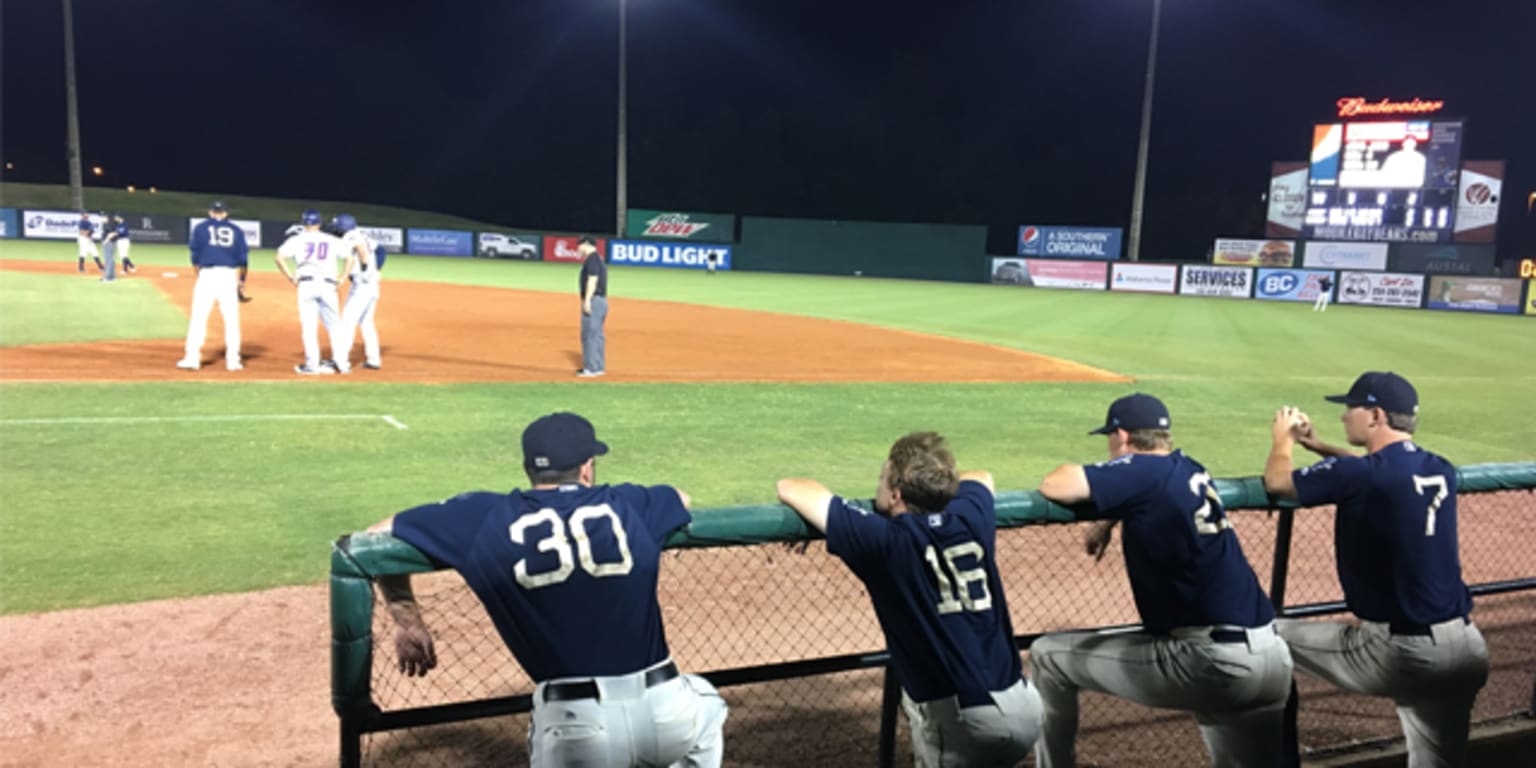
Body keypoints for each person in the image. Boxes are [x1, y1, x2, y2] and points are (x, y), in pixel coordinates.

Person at [368, 411, 728, 767]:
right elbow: (681, 497)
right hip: (667, 714)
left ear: (528, 469)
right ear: (586, 468)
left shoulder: (484, 516)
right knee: (708, 705)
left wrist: (407, 619)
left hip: (575, 732)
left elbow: (374, 539)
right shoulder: (628, 504)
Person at [1030, 393, 1293, 768]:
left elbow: (1055, 484)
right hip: (1271, 656)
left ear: (1122, 436)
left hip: (1211, 663)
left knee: (1048, 655)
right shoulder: (1188, 467)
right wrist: (1109, 519)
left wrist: (1109, 497)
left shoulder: (1141, 468)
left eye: (1110, 439)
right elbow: (1152, 496)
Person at [1263, 372, 1488, 767]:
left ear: (1375, 415)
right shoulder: (1439, 467)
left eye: (1351, 408)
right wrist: (1318, 446)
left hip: (1400, 653)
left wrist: (1283, 440)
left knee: (1265, 639)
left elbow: (1278, 482)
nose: (1344, 416)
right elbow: (1372, 470)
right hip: (1466, 648)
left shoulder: (1364, 475)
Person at [776, 432, 1041, 766]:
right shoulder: (971, 517)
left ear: (896, 494)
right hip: (1024, 705)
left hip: (969, 723)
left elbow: (791, 487)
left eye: (882, 479)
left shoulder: (884, 540)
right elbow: (981, 477)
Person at [273, 208, 349, 375]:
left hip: (307, 285)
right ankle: (342, 364)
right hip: (328, 285)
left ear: (303, 223)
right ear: (319, 223)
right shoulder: (331, 239)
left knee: (309, 328)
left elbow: (278, 257)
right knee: (334, 326)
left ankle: (312, 365)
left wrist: (291, 277)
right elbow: (349, 257)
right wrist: (343, 276)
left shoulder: (297, 240)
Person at [178, 201, 248, 371]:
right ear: (226, 213)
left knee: (198, 317)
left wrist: (201, 275)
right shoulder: (236, 230)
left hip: (207, 274)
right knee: (231, 320)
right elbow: (243, 260)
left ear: (210, 212)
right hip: (228, 275)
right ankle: (233, 361)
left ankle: (192, 358)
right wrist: (241, 281)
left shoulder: (200, 228)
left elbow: (195, 257)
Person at [331, 214, 384, 370]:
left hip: (361, 285)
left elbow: (361, 250)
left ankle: (340, 360)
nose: (335, 229)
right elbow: (381, 251)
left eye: (337, 226)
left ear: (343, 227)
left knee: (347, 322)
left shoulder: (350, 236)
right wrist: (375, 269)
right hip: (372, 285)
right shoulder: (362, 234)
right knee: (367, 323)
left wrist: (365, 266)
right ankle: (374, 360)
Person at [577, 236, 607, 377]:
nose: (578, 248)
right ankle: (598, 367)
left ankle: (591, 369)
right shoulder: (598, 259)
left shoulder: (592, 260)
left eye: (580, 245)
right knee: (597, 335)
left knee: (589, 335)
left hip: (594, 300)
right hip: (601, 301)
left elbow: (592, 280)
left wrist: (587, 300)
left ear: (587, 244)